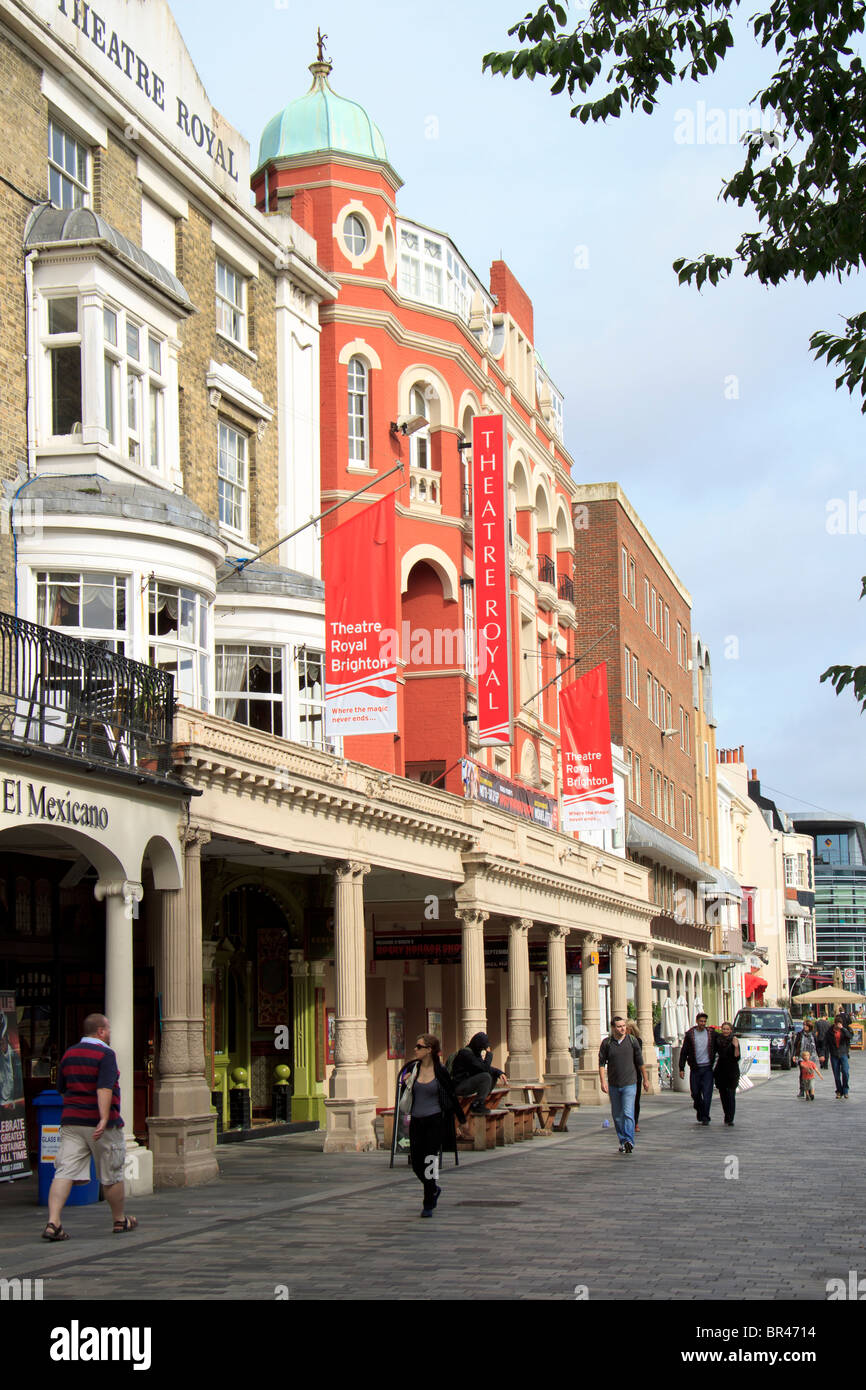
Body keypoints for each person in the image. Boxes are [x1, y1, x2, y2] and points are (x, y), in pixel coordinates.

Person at [42, 1013, 136, 1241]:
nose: (110, 1034)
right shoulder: (105, 1054)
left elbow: (62, 1088)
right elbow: (104, 1088)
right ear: (101, 1032)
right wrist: (103, 1118)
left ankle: (53, 1222)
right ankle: (119, 1219)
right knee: (112, 1173)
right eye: (109, 1030)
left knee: (63, 1171)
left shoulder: (69, 1054)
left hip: (72, 1122)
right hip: (100, 1124)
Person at [398, 1034, 463, 1217]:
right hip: (416, 1120)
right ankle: (433, 1188)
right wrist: (405, 1082)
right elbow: (405, 1092)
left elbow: (450, 1096)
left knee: (430, 1160)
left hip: (435, 1120)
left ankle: (428, 1203)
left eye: (419, 1047)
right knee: (417, 1163)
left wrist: (459, 1120)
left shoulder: (440, 1071)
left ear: (429, 1050)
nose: (415, 1049)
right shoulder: (412, 1068)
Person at [598, 1015, 648, 1155]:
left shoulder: (632, 1041)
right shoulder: (607, 1043)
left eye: (624, 1026)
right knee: (617, 1116)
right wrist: (603, 1081)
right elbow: (601, 1064)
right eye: (619, 1026)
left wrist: (645, 1079)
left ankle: (629, 1141)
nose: (622, 1029)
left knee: (627, 1113)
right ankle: (622, 1140)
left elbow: (640, 1062)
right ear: (613, 1028)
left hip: (630, 1083)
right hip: (614, 1084)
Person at [450, 1032, 507, 1116]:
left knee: (492, 1076)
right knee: (486, 1076)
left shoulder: (475, 1054)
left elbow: (484, 1067)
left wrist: (499, 1073)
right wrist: (489, 1054)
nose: (483, 1049)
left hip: (467, 1084)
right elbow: (484, 1068)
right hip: (458, 1086)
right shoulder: (466, 1053)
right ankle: (477, 1105)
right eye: (482, 1047)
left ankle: (480, 1102)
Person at [679, 1012, 717, 1124]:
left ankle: (705, 1117)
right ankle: (699, 1108)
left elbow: (720, 1042)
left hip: (707, 1068)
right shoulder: (690, 1034)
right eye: (701, 1021)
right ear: (697, 1021)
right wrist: (681, 1068)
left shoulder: (711, 1033)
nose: (703, 1023)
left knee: (707, 1093)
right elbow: (684, 1052)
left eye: (705, 1021)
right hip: (695, 1068)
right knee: (695, 1093)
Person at [712, 1021, 740, 1126]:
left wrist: (736, 1046)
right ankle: (726, 1114)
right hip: (721, 1069)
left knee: (731, 1094)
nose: (725, 1031)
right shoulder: (718, 1040)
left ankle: (730, 1117)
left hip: (732, 1069)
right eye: (724, 1029)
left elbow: (737, 1057)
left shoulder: (734, 1039)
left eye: (727, 1029)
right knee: (723, 1095)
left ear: (731, 1030)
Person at [825, 1013, 853, 1099]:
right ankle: (839, 1091)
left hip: (843, 1053)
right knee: (836, 1075)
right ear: (835, 1023)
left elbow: (850, 1037)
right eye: (837, 1024)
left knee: (845, 1072)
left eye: (840, 1024)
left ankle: (845, 1090)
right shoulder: (829, 1032)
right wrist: (823, 1055)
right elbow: (825, 1044)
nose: (839, 1026)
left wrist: (843, 1029)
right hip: (834, 1054)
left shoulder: (844, 1030)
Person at [793, 1019, 822, 1097]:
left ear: (810, 1027)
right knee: (803, 1072)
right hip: (801, 1057)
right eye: (804, 1025)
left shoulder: (813, 1035)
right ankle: (802, 1090)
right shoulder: (800, 1034)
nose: (804, 1027)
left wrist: (820, 1055)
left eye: (806, 1025)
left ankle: (809, 1089)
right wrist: (794, 1055)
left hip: (811, 1057)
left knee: (810, 1073)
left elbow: (817, 1046)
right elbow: (795, 1045)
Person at [625, 1020, 644, 1131]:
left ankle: (635, 1122)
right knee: (626, 1100)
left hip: (635, 1073)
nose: (623, 1030)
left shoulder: (637, 1041)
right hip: (624, 1074)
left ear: (631, 1029)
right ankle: (628, 1122)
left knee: (635, 1099)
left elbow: (638, 1058)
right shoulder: (619, 1041)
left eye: (625, 1028)